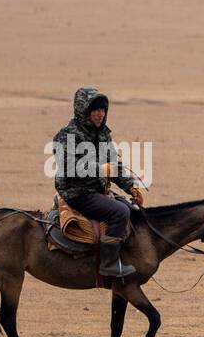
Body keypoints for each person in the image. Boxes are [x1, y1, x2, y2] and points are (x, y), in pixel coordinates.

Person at [52, 87, 144, 278]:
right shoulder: (67, 135)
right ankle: (108, 264)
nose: (100, 114)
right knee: (121, 212)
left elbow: (114, 164)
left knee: (132, 211)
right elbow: (69, 168)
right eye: (95, 110)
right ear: (83, 110)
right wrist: (101, 169)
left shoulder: (101, 134)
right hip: (76, 193)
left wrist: (131, 186)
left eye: (103, 110)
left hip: (96, 191)